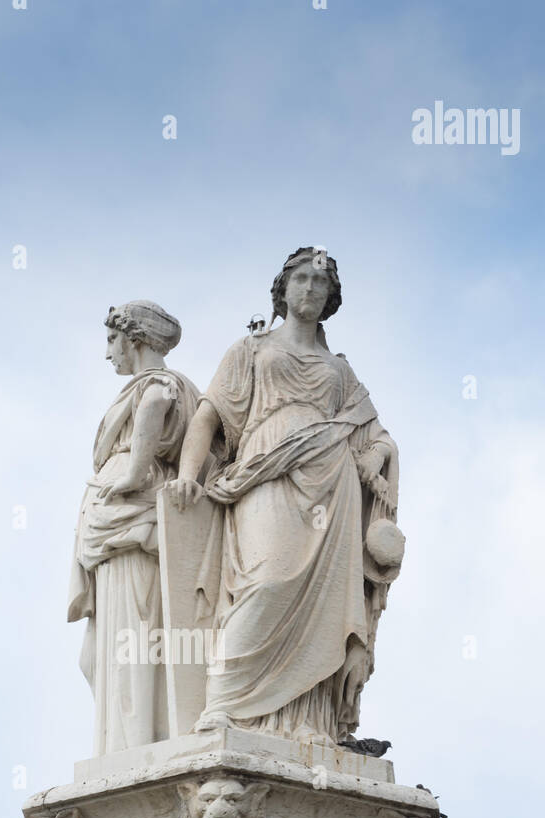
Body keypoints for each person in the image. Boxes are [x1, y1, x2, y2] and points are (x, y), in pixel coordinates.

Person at [165, 247, 403, 744]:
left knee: (325, 601)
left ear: (331, 298)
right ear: (283, 288)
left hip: (332, 487)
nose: (310, 290)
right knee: (265, 581)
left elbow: (377, 435)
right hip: (264, 471)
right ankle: (225, 705)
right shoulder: (250, 350)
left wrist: (376, 459)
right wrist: (188, 474)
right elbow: (208, 418)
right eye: (301, 279)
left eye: (321, 284)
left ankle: (305, 722)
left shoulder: (342, 372)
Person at [68, 301, 200, 754]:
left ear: (135, 339)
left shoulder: (161, 384)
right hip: (118, 518)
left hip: (130, 515)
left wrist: (132, 472)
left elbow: (156, 403)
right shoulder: (166, 388)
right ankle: (130, 741)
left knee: (132, 634)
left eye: (111, 340)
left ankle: (134, 745)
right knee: (106, 649)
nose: (108, 353)